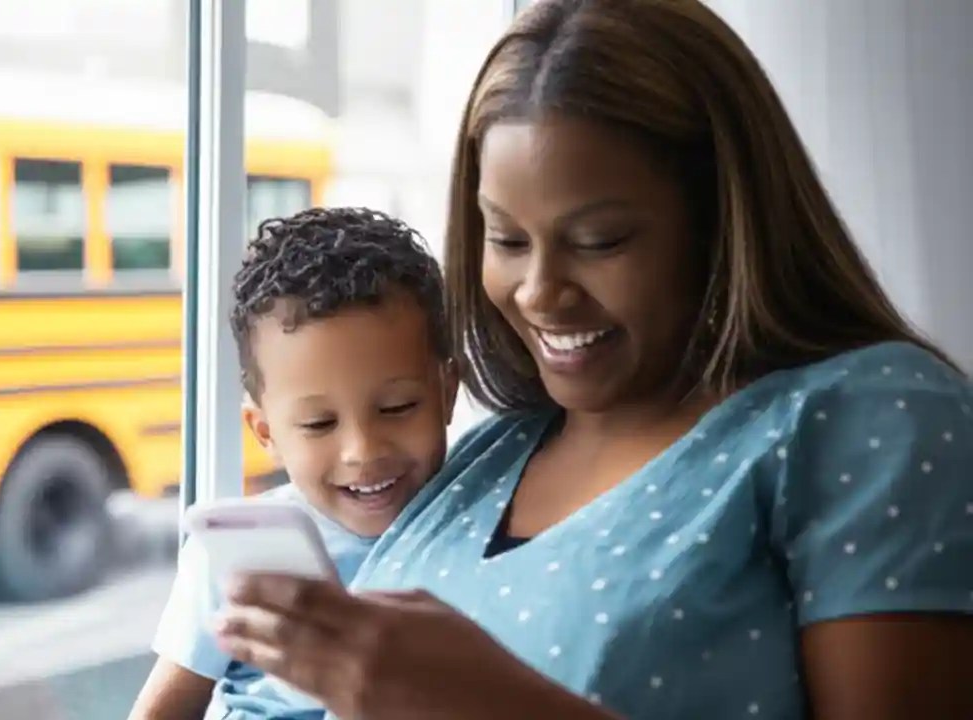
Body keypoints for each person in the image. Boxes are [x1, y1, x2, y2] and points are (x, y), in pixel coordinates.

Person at [212, 1, 973, 718]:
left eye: (599, 242)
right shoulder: (486, 455)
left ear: (718, 223)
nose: (540, 293)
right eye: (507, 241)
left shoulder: (868, 418)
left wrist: (492, 704)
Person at [127, 207, 458, 720]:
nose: (362, 451)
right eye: (319, 424)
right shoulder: (238, 554)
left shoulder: (478, 527)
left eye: (396, 408)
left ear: (448, 392)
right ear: (266, 433)